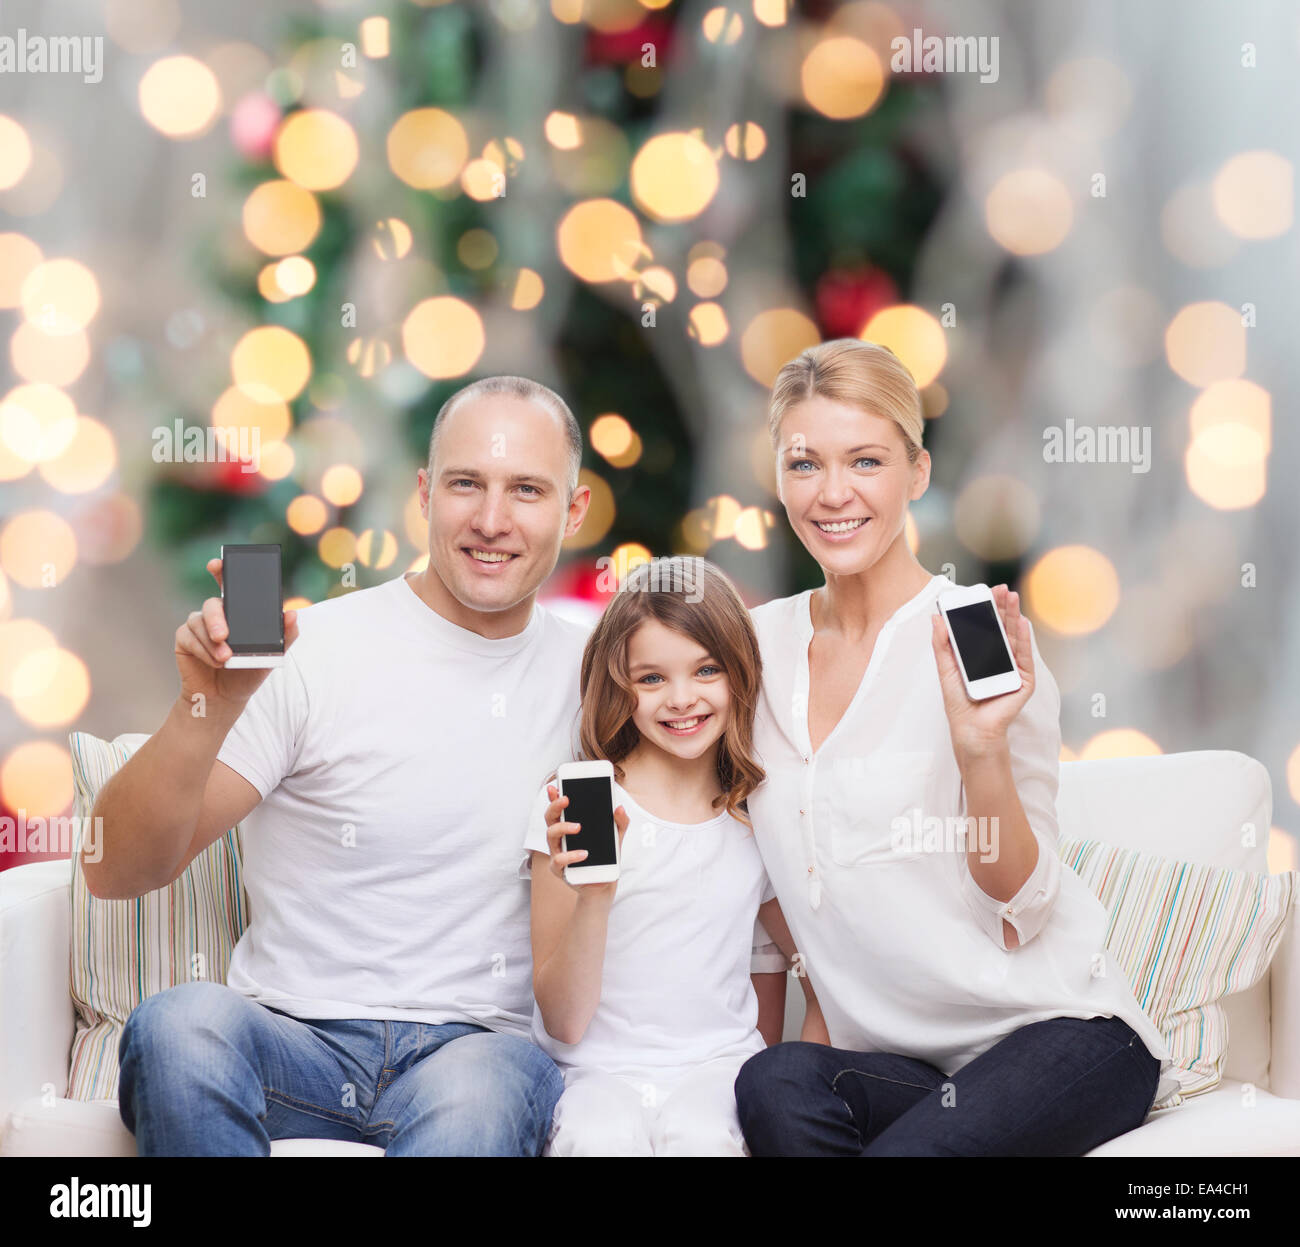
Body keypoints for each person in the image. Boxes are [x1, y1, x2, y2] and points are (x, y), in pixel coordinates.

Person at [86, 375, 595, 1156]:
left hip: (475, 1052)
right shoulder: (314, 650)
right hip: (294, 1040)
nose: (492, 520)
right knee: (178, 1026)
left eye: (527, 489)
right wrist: (207, 707)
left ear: (574, 508)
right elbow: (115, 868)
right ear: (424, 493)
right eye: (466, 483)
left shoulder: (606, 681)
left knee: (477, 1104)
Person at [734, 338, 1179, 1157]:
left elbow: (1023, 908)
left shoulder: (974, 630)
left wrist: (980, 749)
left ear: (919, 472)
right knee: (773, 1081)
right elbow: (783, 889)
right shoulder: (755, 650)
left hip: (1058, 1037)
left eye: (865, 460)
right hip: (905, 1066)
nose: (833, 493)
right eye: (804, 464)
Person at [525, 556, 821, 1156]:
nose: (681, 699)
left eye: (706, 670)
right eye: (651, 678)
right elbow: (564, 1022)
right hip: (595, 1076)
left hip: (716, 1072)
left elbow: (792, 967)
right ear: (619, 687)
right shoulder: (576, 804)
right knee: (599, 1138)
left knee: (703, 1139)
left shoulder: (753, 813)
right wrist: (595, 898)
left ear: (739, 672)